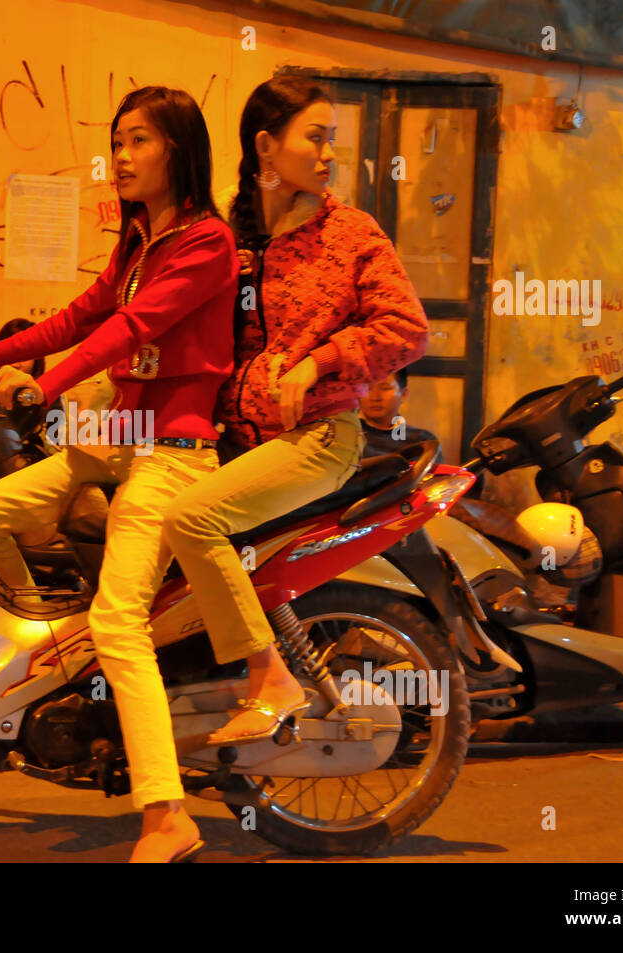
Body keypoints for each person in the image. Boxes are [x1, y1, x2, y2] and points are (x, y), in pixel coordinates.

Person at [0, 86, 237, 862]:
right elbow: (81, 315)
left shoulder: (209, 243)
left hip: (174, 452)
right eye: (116, 141)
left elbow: (132, 327)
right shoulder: (139, 240)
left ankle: (167, 815)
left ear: (176, 149)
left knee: (119, 619)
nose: (119, 156)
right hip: (117, 440)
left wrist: (45, 385)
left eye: (137, 140)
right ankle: (51, 658)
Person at [162, 75, 429, 747]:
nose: (328, 154)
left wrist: (322, 360)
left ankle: (270, 677)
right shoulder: (230, 238)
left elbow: (407, 328)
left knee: (191, 519)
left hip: (317, 437)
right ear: (265, 146)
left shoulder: (348, 233)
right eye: (316, 137)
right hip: (227, 443)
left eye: (330, 139)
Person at [359, 367, 439, 458]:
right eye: (367, 389)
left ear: (403, 395)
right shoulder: (348, 435)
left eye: (385, 388)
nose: (375, 397)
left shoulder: (422, 441)